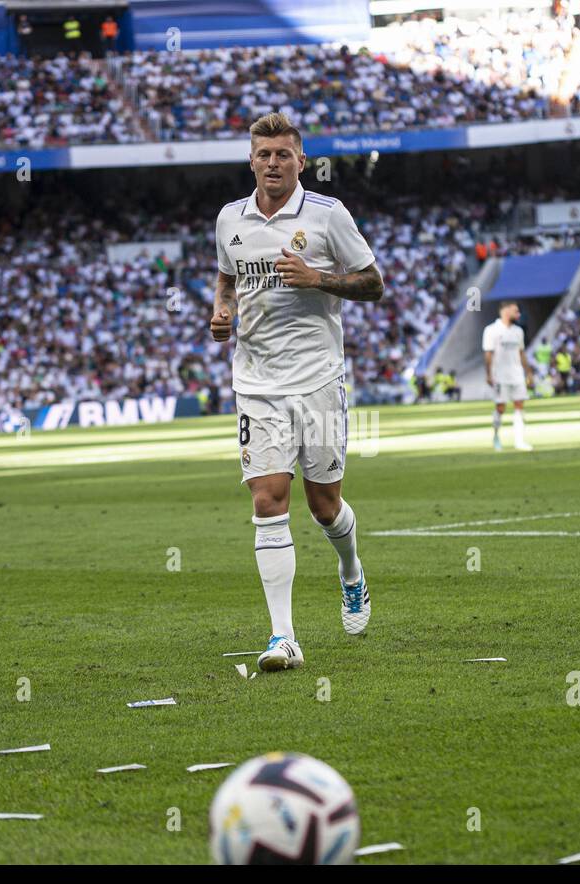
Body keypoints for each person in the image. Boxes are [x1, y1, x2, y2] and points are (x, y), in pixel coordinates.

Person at [210, 112, 384, 673]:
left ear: (300, 161)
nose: (272, 163)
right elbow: (227, 275)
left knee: (325, 505)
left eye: (283, 154)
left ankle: (351, 572)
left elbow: (373, 283)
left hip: (318, 380)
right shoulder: (229, 220)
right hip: (256, 384)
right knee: (267, 500)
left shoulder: (329, 216)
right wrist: (222, 310)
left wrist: (319, 279)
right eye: (263, 154)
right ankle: (284, 638)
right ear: (251, 159)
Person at [482, 301, 533, 451]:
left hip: (517, 375)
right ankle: (496, 436)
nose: (518, 314)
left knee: (519, 406)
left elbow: (521, 353)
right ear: (505, 311)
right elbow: (488, 354)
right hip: (500, 375)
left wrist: (528, 372)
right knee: (501, 407)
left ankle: (519, 441)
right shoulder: (491, 330)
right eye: (515, 311)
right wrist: (489, 374)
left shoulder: (518, 331)